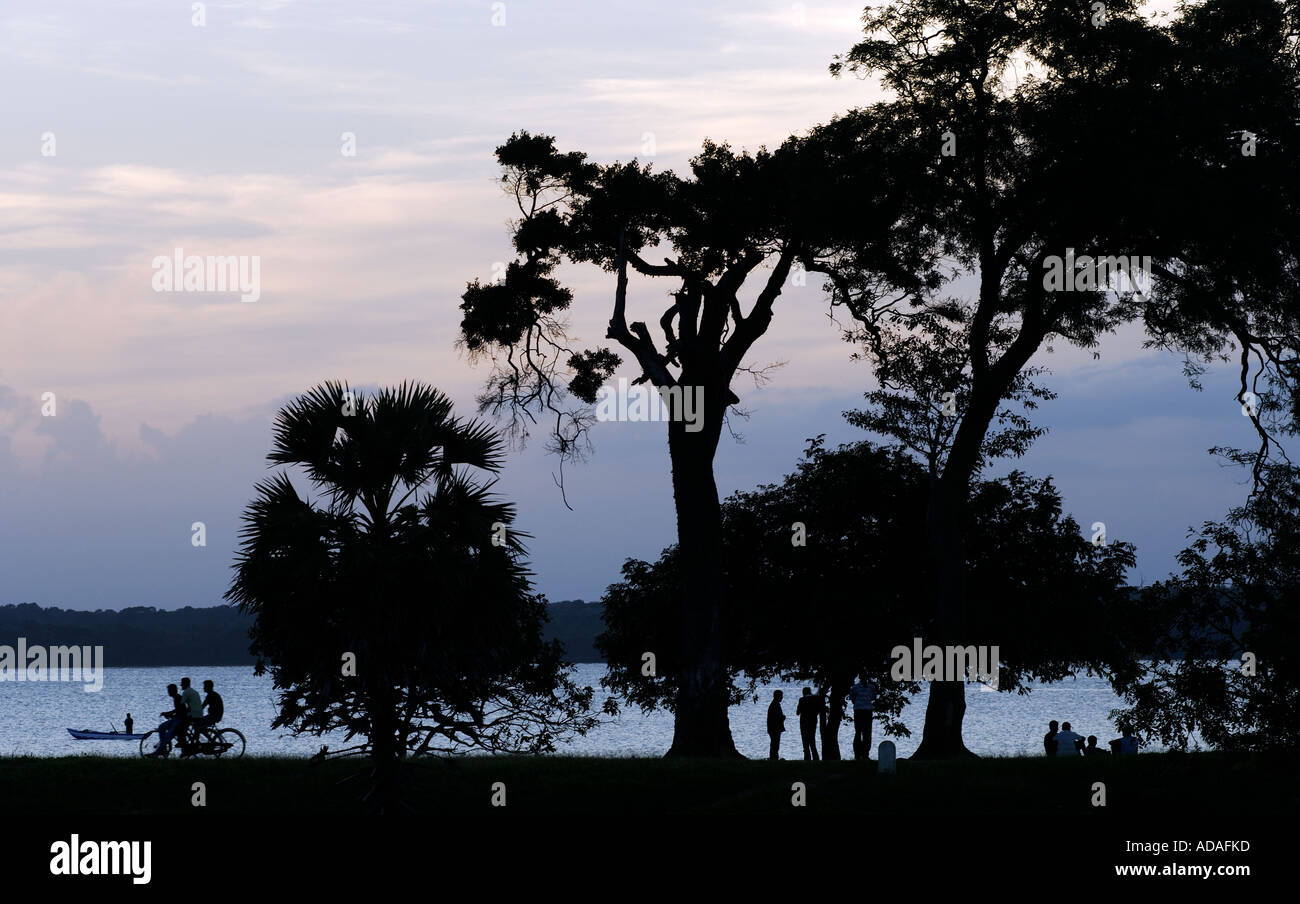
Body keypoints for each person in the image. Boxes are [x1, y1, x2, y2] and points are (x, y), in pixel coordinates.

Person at [148, 683, 185, 755]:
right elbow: (177, 710)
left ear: (174, 690)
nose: (168, 692)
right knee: (161, 727)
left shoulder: (178, 698)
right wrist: (169, 714)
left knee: (168, 735)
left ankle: (159, 750)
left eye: (169, 690)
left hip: (179, 719)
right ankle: (163, 747)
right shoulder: (176, 698)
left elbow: (179, 710)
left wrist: (168, 713)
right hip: (176, 718)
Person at [849, 674, 875, 759]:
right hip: (864, 711)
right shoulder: (870, 687)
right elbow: (873, 697)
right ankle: (862, 754)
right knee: (863, 733)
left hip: (860, 710)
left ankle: (862, 754)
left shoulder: (855, 688)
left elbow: (853, 699)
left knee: (862, 732)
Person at [795, 688, 823, 761]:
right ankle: (815, 757)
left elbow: (798, 712)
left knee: (805, 740)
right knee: (812, 739)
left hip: (804, 722)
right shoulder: (815, 699)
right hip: (813, 721)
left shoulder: (802, 700)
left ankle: (807, 757)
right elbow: (819, 710)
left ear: (803, 692)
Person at [767, 690, 786, 760]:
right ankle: (774, 758)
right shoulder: (775, 705)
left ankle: (774, 757)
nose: (782, 697)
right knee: (775, 744)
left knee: (774, 744)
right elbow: (777, 717)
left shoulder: (774, 704)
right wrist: (783, 717)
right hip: (775, 728)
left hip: (772, 728)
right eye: (781, 696)